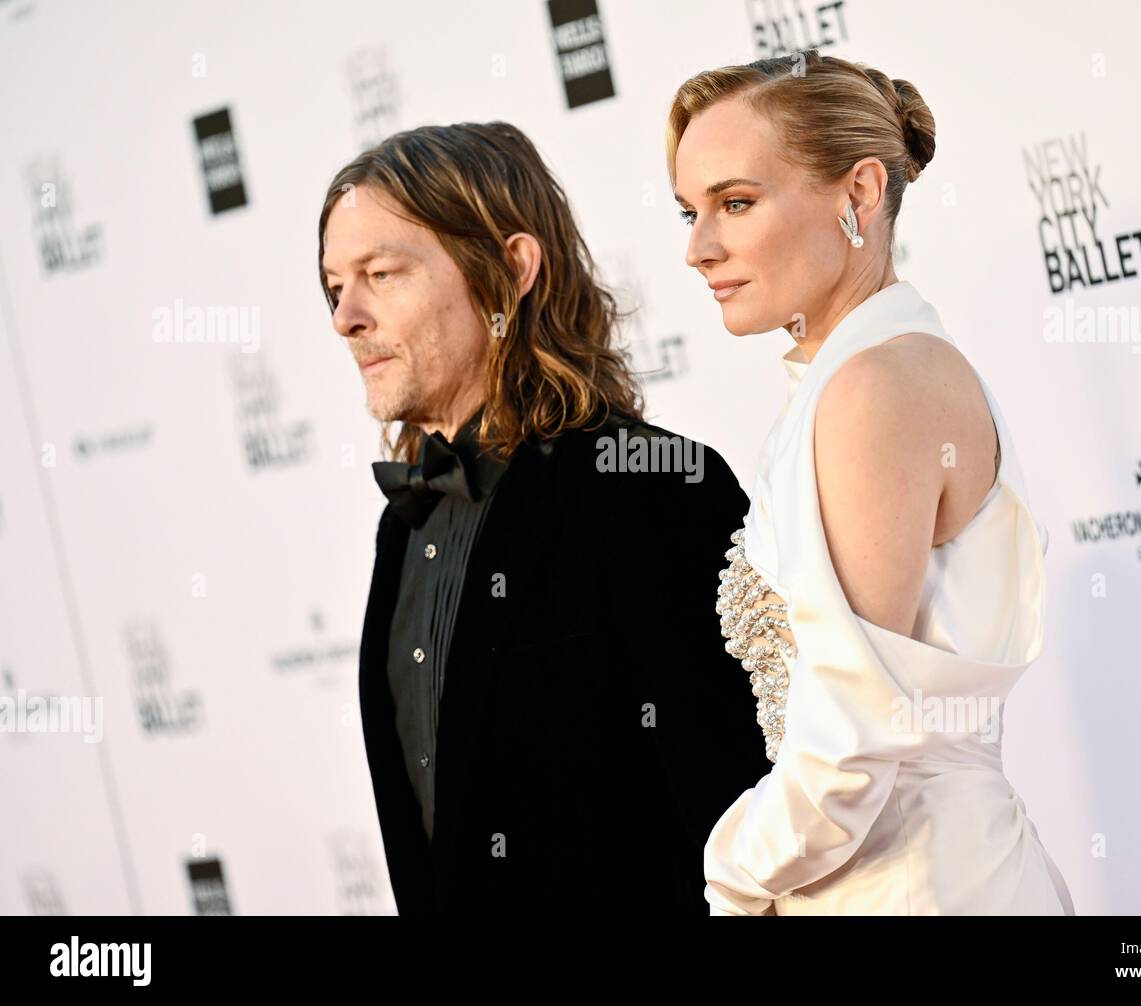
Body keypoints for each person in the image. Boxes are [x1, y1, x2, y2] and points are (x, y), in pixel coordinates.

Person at [318, 122, 770, 914]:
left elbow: (743, 822)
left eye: (381, 273)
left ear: (508, 271)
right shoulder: (406, 524)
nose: (345, 317)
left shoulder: (654, 488)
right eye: (333, 287)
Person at [667, 49, 1076, 915]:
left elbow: (850, 743)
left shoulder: (875, 388)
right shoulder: (855, 376)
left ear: (858, 194)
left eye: (736, 203)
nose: (699, 250)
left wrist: (732, 875)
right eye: (689, 211)